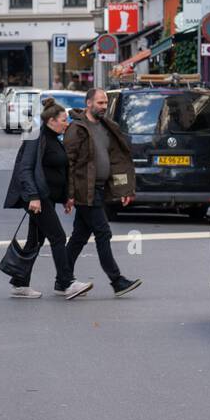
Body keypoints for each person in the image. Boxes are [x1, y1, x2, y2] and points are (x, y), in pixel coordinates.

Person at [3, 98, 93, 300]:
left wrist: (65, 198)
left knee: (36, 240)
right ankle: (66, 282)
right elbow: (25, 169)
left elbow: (57, 171)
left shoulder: (54, 139)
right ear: (51, 120)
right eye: (63, 119)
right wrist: (34, 197)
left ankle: (19, 283)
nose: (67, 123)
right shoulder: (36, 137)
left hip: (47, 198)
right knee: (58, 237)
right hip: (37, 199)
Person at [64, 87, 142, 297]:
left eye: (106, 103)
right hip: (85, 191)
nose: (104, 107)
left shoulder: (108, 127)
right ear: (88, 103)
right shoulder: (77, 129)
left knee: (79, 237)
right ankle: (117, 281)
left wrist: (126, 188)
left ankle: (62, 279)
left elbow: (117, 161)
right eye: (100, 103)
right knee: (103, 233)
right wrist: (69, 194)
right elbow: (68, 163)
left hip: (99, 189)